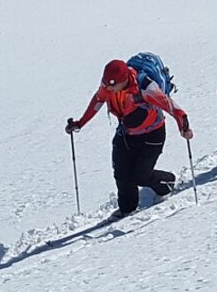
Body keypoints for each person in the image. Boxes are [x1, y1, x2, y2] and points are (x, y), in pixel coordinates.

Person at [68, 58, 194, 218]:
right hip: (126, 132)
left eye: (111, 86)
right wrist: (80, 124)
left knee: (140, 176)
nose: (107, 89)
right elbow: (98, 101)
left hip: (152, 135)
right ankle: (127, 209)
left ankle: (167, 183)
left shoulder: (146, 87)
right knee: (121, 172)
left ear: (124, 80)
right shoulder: (109, 86)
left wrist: (184, 126)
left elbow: (171, 106)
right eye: (105, 84)